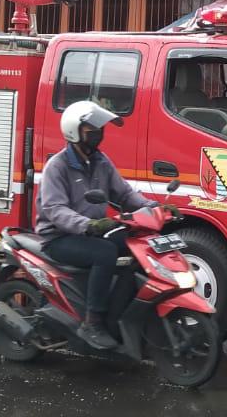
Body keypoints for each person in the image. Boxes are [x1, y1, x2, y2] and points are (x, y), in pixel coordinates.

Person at [35, 100, 176, 350]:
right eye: (92, 131)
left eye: (99, 130)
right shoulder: (57, 167)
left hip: (94, 231)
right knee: (105, 252)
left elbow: (124, 194)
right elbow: (55, 210)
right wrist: (88, 224)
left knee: (136, 245)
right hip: (59, 237)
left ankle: (119, 312)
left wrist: (154, 208)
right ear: (74, 132)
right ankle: (93, 322)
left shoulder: (100, 161)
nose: (98, 135)